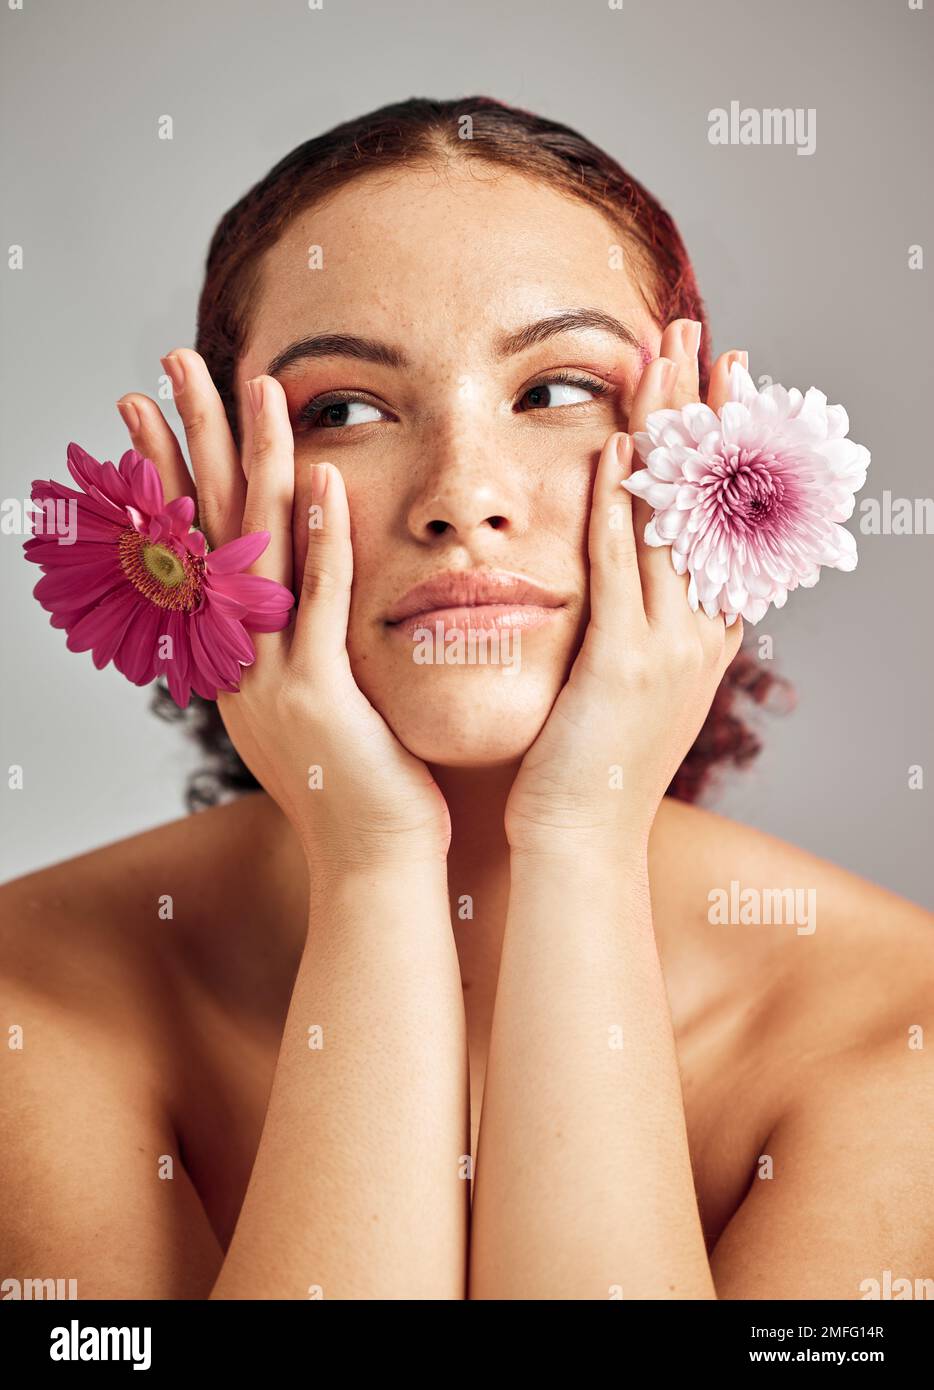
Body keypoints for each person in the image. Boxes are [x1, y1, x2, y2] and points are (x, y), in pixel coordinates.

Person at [3, 97, 932, 1301]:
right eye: (344, 409)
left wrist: (581, 840)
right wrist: (374, 867)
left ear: (710, 447)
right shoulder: (28, 1004)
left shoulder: (901, 1032)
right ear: (217, 489)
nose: (462, 496)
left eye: (554, 392)